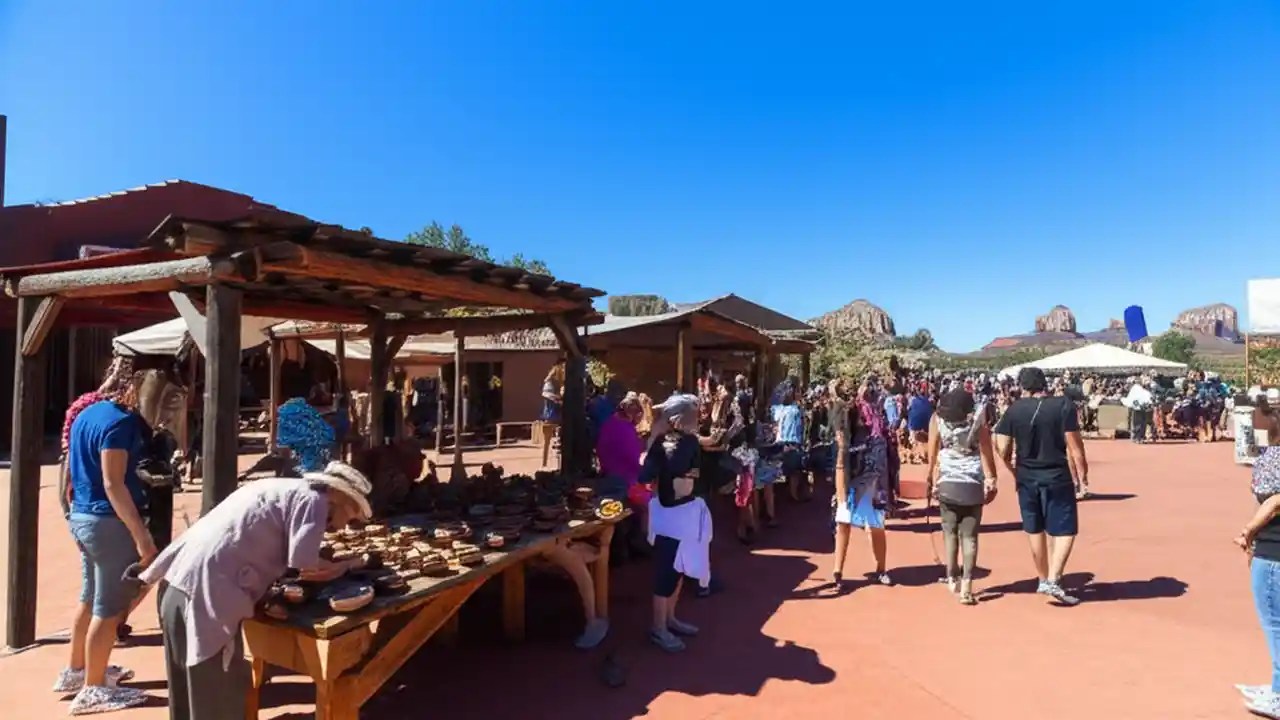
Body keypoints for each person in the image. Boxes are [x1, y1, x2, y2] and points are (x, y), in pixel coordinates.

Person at [140, 462, 372, 720]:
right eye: (351, 516)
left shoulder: (277, 488)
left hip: (178, 587)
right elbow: (307, 567)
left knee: (186, 695)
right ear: (341, 497)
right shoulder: (314, 501)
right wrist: (349, 564)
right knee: (216, 698)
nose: (343, 527)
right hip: (206, 600)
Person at [55, 368, 157, 715]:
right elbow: (114, 484)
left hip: (83, 516)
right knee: (110, 607)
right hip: (108, 522)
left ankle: (78, 670)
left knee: (90, 596)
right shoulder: (121, 423)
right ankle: (94, 688)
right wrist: (142, 539)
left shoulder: (88, 413)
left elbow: (71, 468)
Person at [994, 367, 1089, 606]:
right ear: (1044, 384)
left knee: (1034, 528)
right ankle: (1055, 579)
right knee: (1065, 529)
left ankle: (1043, 578)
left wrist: (1012, 469)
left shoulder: (1014, 409)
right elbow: (1075, 447)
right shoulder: (1063, 406)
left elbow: (1002, 447)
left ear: (1023, 386)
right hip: (1057, 475)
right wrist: (1083, 477)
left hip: (1026, 478)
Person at [641, 394, 709, 653]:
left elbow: (692, 476)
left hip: (684, 513)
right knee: (667, 571)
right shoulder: (674, 443)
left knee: (679, 569)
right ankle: (659, 628)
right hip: (671, 517)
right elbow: (646, 475)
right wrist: (655, 442)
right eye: (692, 413)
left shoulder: (686, 442)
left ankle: (669, 619)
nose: (697, 417)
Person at [925, 388, 999, 605]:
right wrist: (992, 480)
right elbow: (987, 453)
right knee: (970, 536)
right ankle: (967, 585)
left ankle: (951, 576)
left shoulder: (937, 421)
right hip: (972, 483)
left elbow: (932, 452)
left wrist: (929, 478)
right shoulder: (978, 423)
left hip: (947, 481)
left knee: (949, 532)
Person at [1236, 402, 1280, 717]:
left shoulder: (1274, 458)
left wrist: (1249, 532)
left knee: (1275, 624)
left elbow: (1276, 501)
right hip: (1270, 548)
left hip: (1274, 552)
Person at [832, 379, 894, 587]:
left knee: (876, 524)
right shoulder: (845, 415)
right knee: (843, 521)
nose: (868, 390)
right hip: (852, 477)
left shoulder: (878, 415)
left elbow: (886, 453)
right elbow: (841, 456)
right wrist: (840, 492)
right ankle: (837, 572)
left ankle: (881, 569)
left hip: (876, 478)